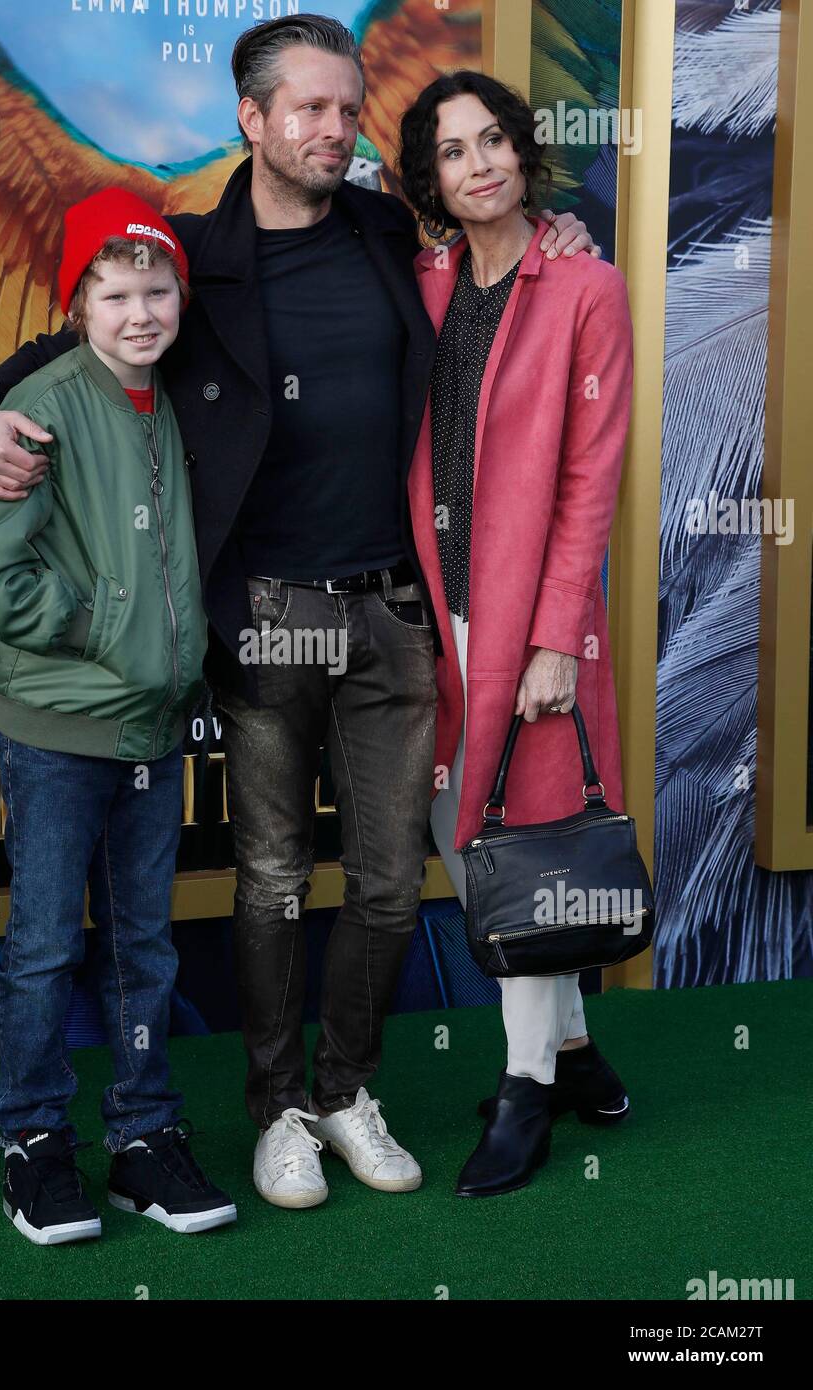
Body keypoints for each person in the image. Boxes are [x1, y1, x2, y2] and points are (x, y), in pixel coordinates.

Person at [0, 16, 596, 1210]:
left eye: (348, 110)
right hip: (257, 615)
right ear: (248, 120)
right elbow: (61, 347)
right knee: (271, 879)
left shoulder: (387, 227)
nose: (334, 130)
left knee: (393, 883)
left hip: (393, 609)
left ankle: (347, 1089)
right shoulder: (192, 256)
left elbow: (503, 278)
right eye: (307, 109)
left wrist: (549, 232)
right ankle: (276, 1108)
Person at [0, 188, 236, 1243]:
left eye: (155, 288)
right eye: (113, 293)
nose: (138, 312)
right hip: (56, 732)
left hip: (154, 733)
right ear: (78, 305)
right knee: (40, 948)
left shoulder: (184, 402)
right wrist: (101, 619)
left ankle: (144, 1138)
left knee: (144, 948)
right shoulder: (39, 407)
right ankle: (30, 1141)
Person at [398, 71, 634, 1197]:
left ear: (523, 150)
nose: (476, 163)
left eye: (491, 139)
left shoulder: (587, 285)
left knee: (523, 851)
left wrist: (551, 637)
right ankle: (577, 1054)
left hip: (529, 621)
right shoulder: (425, 278)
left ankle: (526, 1091)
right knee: (475, 837)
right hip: (434, 613)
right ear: (428, 179)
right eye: (450, 151)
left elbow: (590, 481)